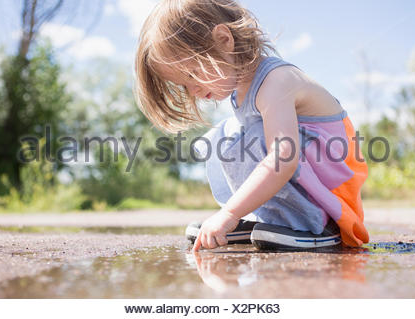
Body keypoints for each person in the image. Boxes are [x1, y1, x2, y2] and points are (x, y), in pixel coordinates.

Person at [135, 0, 369, 251]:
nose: (192, 90)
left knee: (257, 139)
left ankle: (317, 224)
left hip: (332, 195)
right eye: (183, 84)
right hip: (308, 177)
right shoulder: (243, 91)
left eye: (192, 74)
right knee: (223, 137)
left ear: (224, 40)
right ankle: (264, 216)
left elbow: (283, 159)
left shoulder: (276, 82)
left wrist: (229, 213)